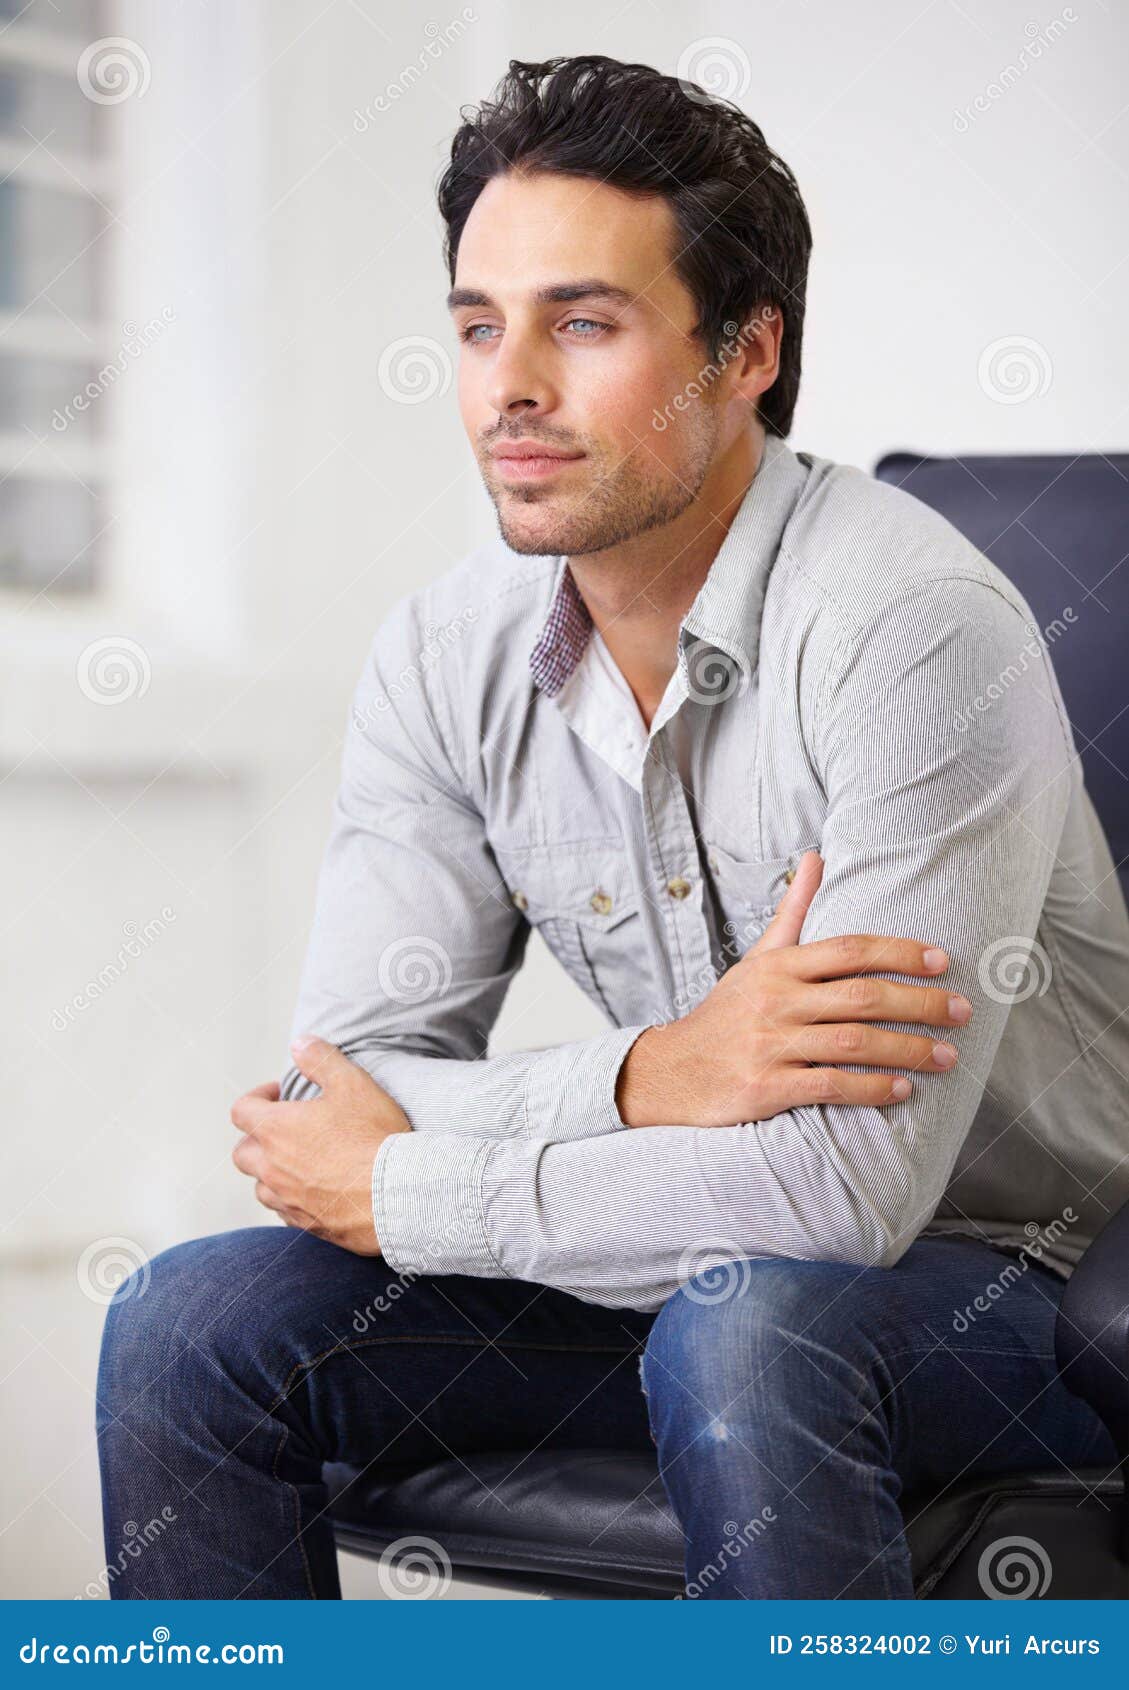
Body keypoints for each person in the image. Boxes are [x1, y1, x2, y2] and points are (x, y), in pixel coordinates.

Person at [97, 55, 1127, 1599]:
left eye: (580, 324)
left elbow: (838, 1195)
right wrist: (656, 1075)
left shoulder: (911, 630)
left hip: (1017, 1291)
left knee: (751, 1323)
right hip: (675, 1250)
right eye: (476, 325)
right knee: (189, 1321)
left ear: (745, 351)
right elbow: (333, 1087)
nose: (507, 384)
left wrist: (411, 1179)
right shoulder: (442, 654)